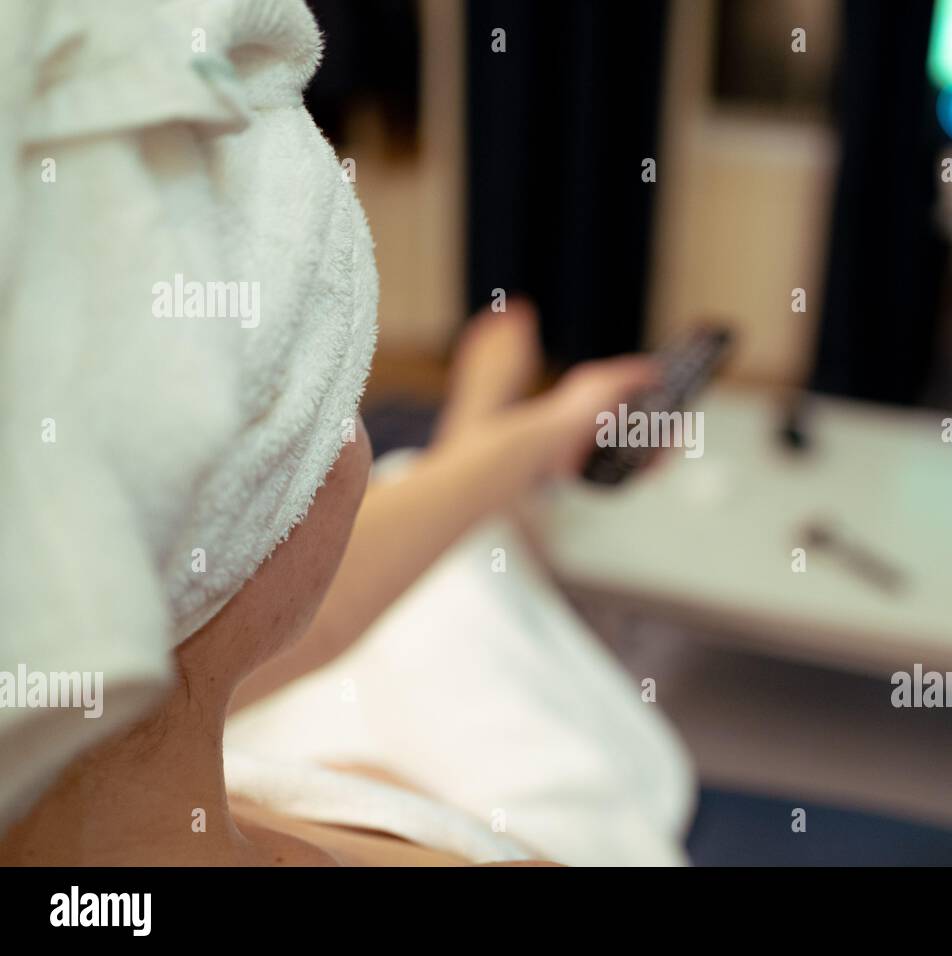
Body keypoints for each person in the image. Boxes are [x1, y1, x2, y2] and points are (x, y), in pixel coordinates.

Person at [0, 0, 692, 865]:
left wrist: (543, 428)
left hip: (282, 714)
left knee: (427, 551)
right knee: (462, 621)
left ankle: (481, 440)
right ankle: (482, 455)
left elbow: (234, 606)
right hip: (473, 781)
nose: (349, 448)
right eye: (344, 409)